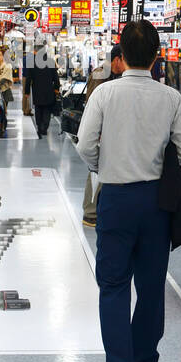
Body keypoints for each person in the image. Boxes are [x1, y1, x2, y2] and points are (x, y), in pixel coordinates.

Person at [77, 22, 181, 362]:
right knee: (150, 287)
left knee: (112, 287)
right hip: (156, 204)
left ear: (121, 57)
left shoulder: (105, 94)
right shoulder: (172, 98)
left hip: (115, 199)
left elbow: (84, 146)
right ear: (158, 56)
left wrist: (103, 168)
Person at [81, 45, 123, 226]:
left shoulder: (112, 75)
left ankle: (99, 209)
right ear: (116, 60)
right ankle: (90, 213)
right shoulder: (100, 74)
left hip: (110, 130)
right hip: (99, 131)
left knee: (103, 171)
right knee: (95, 171)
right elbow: (94, 103)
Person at [23, 40, 61, 138]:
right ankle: (45, 127)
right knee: (47, 110)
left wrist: (27, 91)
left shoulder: (32, 63)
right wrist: (56, 88)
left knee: (38, 109)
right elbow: (56, 78)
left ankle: (40, 127)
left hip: (37, 91)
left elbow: (28, 79)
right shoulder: (51, 62)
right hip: (49, 91)